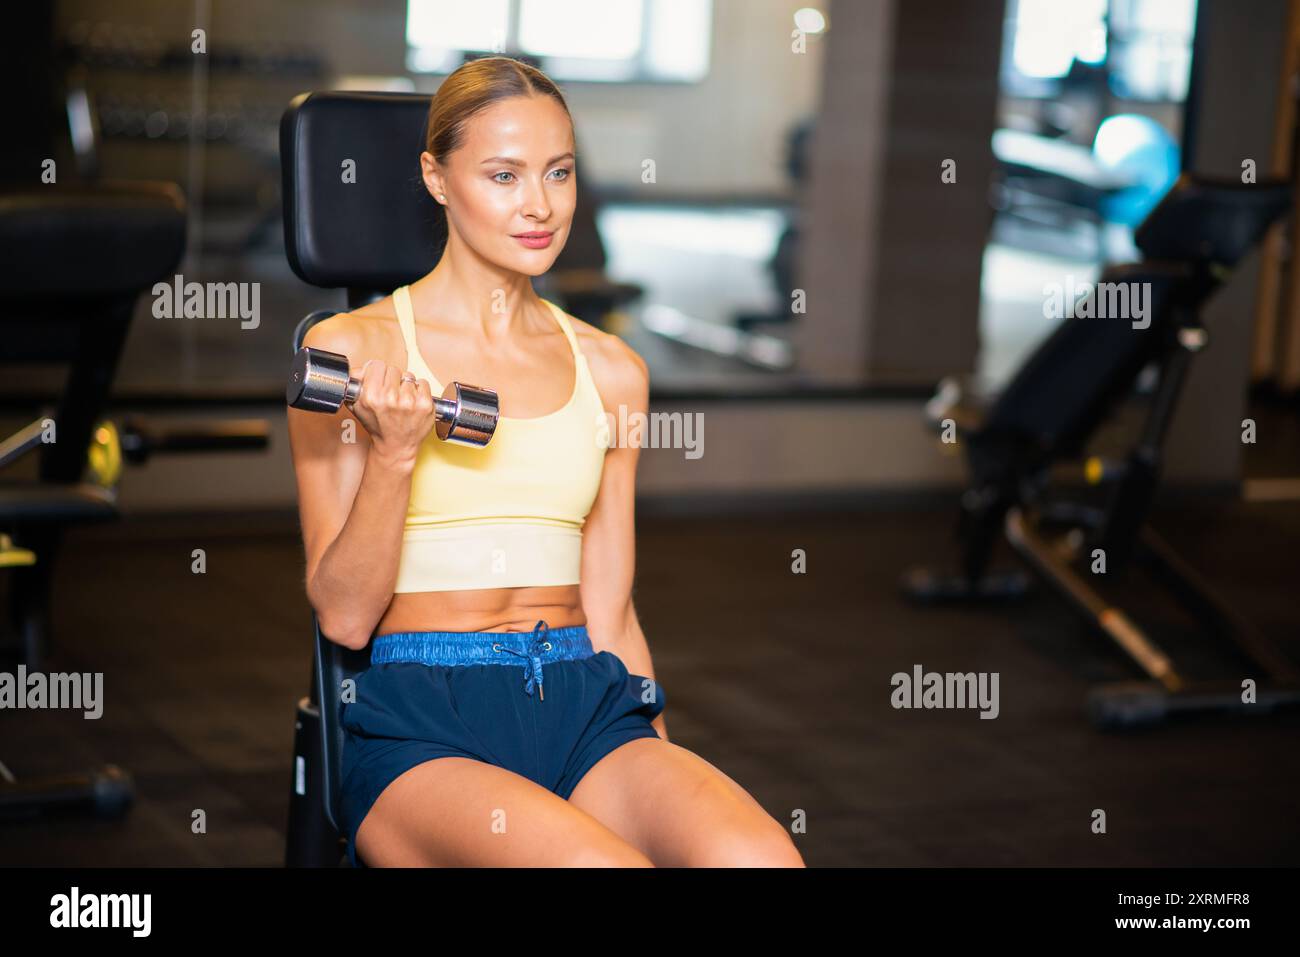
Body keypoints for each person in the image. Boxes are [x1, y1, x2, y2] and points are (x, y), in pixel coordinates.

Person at [286, 56, 804, 867]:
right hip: (425, 723)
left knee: (761, 858)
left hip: (581, 704)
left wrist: (655, 751)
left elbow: (614, 609)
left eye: (558, 174)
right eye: (503, 175)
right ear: (436, 177)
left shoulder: (611, 370)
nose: (539, 206)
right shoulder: (352, 352)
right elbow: (346, 616)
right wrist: (393, 454)